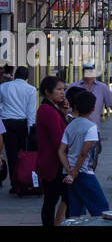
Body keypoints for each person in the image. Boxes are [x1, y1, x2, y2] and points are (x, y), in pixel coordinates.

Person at [60, 91, 109, 219]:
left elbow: (61, 151)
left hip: (69, 173)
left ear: (75, 106)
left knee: (75, 211)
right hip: (83, 173)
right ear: (93, 109)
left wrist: (69, 170)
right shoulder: (91, 127)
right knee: (102, 209)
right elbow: (84, 153)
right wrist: (74, 172)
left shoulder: (70, 126)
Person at [35, 76, 70, 226]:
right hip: (53, 164)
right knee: (54, 200)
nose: (62, 93)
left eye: (64, 90)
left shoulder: (53, 108)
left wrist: (63, 112)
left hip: (54, 162)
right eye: (58, 89)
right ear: (47, 92)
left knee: (57, 199)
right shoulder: (47, 111)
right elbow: (59, 140)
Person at [0, 66, 38, 193]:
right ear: (27, 77)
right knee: (22, 154)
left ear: (15, 75)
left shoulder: (4, 87)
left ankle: (13, 183)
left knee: (11, 154)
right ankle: (22, 180)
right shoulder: (31, 90)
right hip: (22, 124)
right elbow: (31, 111)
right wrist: (30, 129)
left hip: (6, 123)